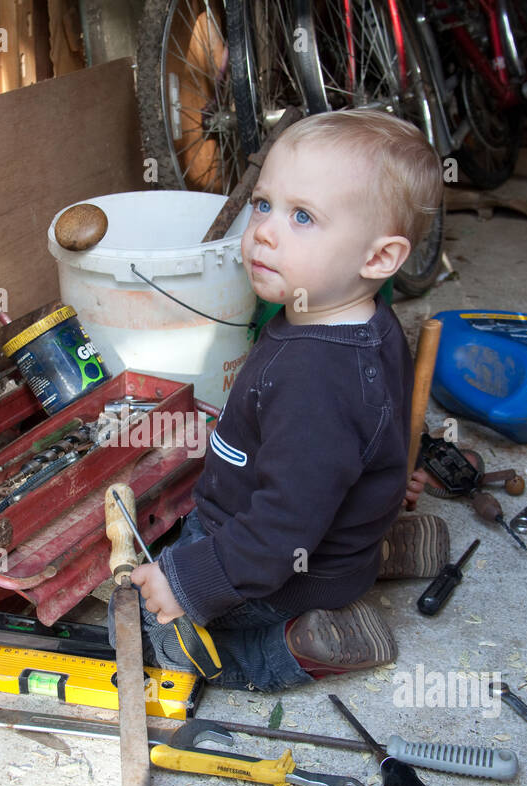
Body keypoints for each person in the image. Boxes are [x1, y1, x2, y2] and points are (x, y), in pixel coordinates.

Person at [128, 108, 448, 692]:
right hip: (330, 542)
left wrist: (188, 581)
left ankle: (295, 647)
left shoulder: (313, 377)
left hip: (281, 571)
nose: (264, 232)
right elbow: (383, 422)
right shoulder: (367, 324)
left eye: (303, 216)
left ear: (378, 259)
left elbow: (280, 531)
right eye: (264, 204)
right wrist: (390, 477)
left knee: (148, 634)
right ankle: (376, 550)